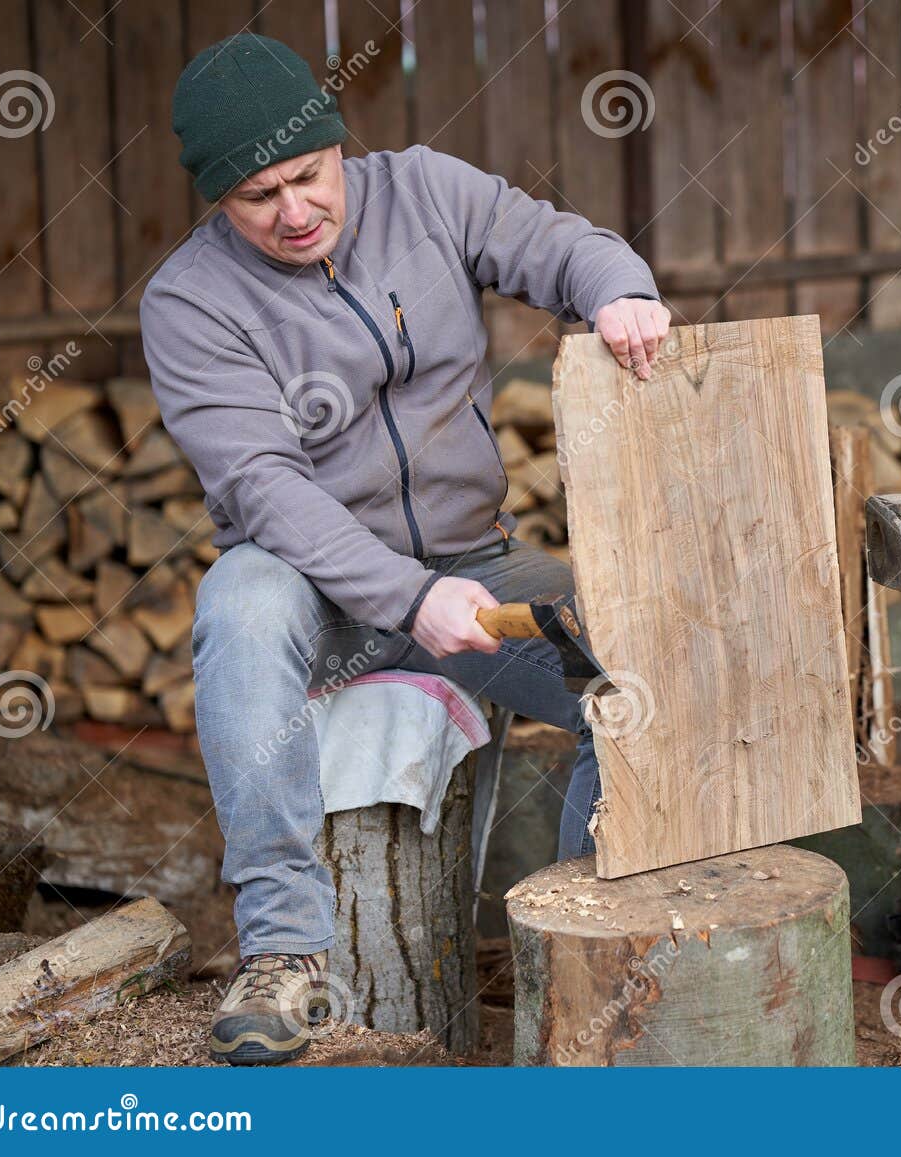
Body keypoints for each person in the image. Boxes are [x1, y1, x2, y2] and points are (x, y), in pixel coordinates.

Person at [140, 33, 670, 1065]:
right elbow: (264, 488)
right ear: (216, 199)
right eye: (257, 197)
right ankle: (285, 954)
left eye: (306, 176)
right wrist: (402, 591)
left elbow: (562, 244)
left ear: (341, 146)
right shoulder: (189, 301)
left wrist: (618, 288)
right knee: (239, 595)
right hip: (318, 596)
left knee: (638, 663)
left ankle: (593, 929)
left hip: (479, 569)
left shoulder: (426, 191)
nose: (294, 212)